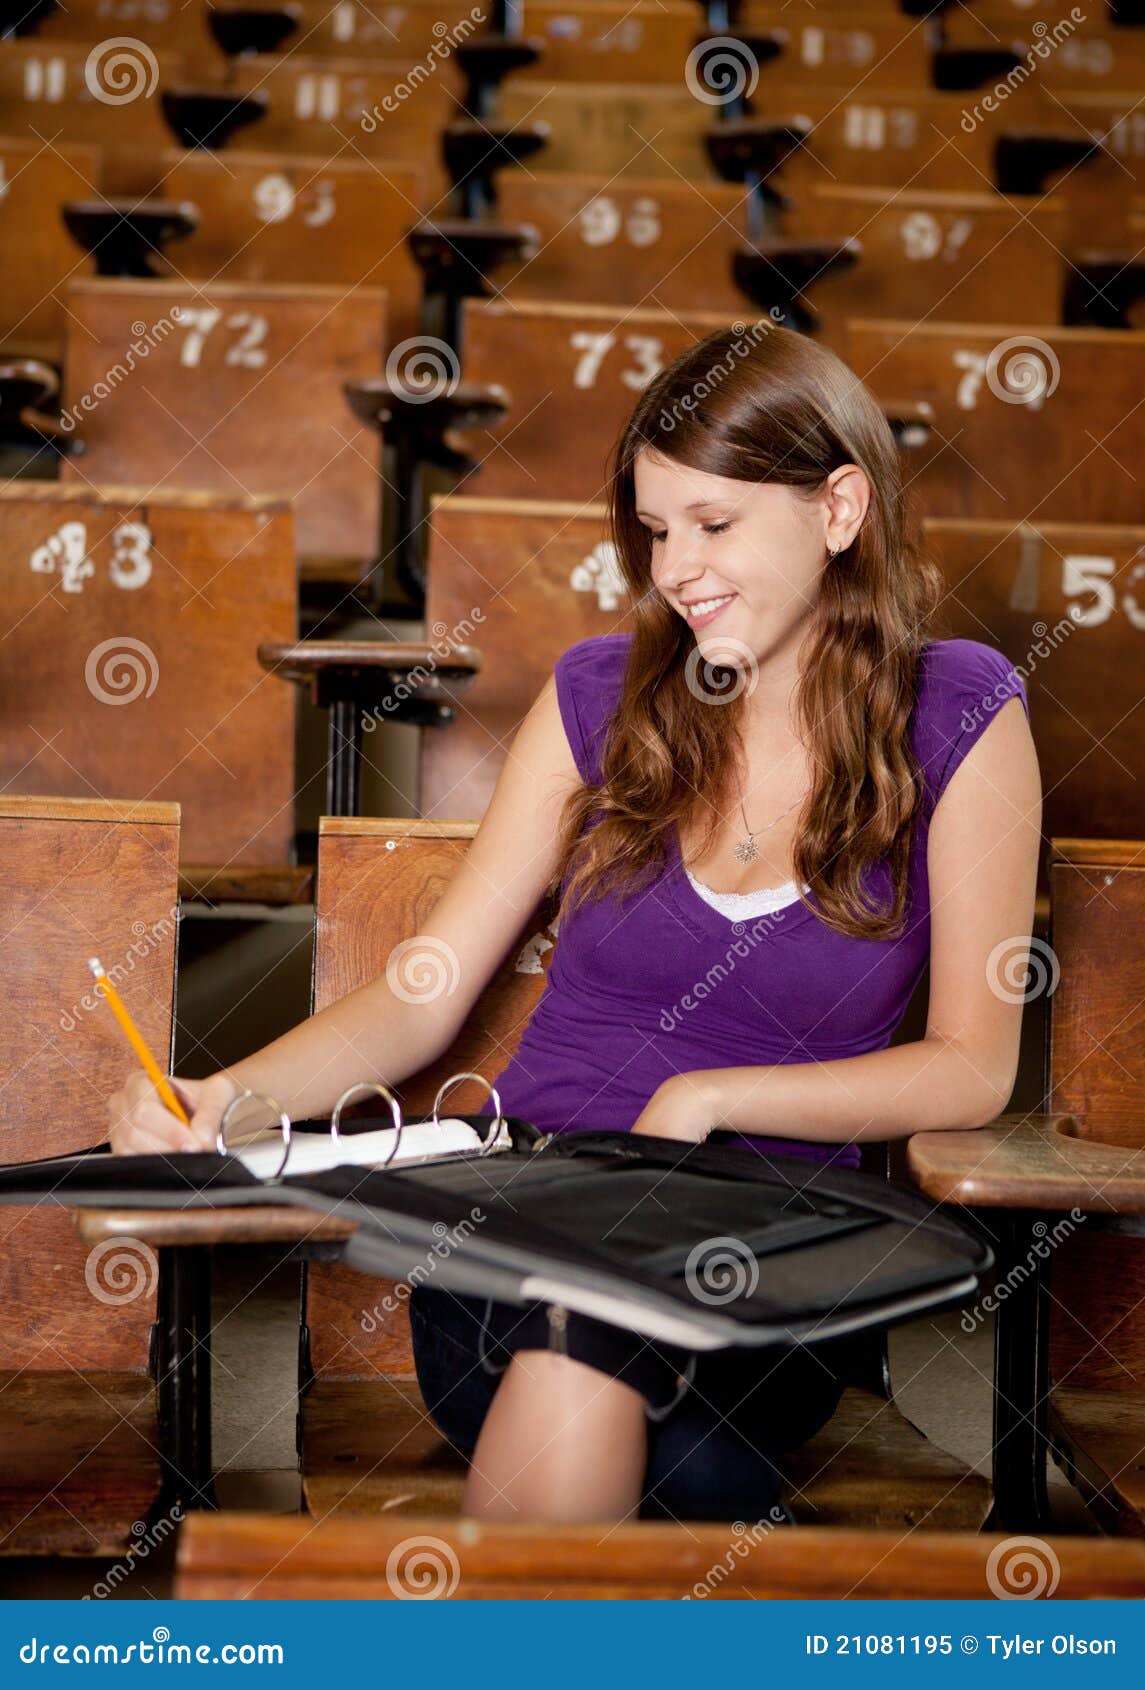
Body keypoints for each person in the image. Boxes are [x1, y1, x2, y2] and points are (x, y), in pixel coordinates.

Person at [107, 322, 1041, 1528]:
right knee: (644, 1417)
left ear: (838, 509)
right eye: (656, 531)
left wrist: (711, 1098)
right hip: (524, 1221)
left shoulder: (961, 713)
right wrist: (218, 1100)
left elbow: (973, 1067)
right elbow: (422, 993)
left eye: (713, 525)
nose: (677, 570)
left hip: (771, 1251)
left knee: (679, 1443)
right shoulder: (601, 694)